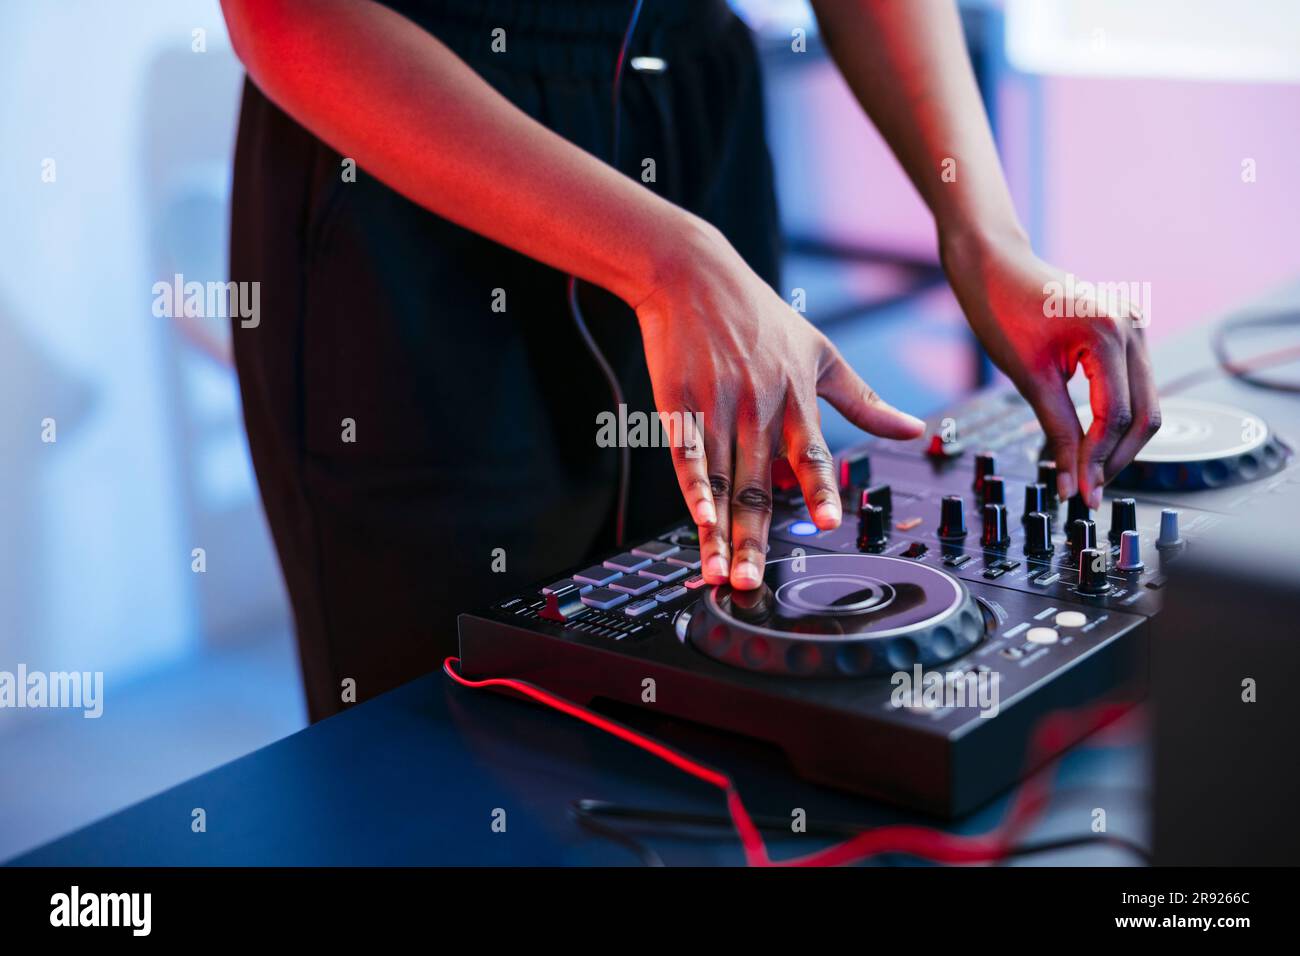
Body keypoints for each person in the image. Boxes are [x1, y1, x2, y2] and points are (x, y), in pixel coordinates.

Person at [220, 0, 1159, 722]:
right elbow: (286, 15)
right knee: (450, 743)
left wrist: (985, 235)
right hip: (416, 167)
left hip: (695, 127)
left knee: (730, 674)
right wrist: (666, 261)